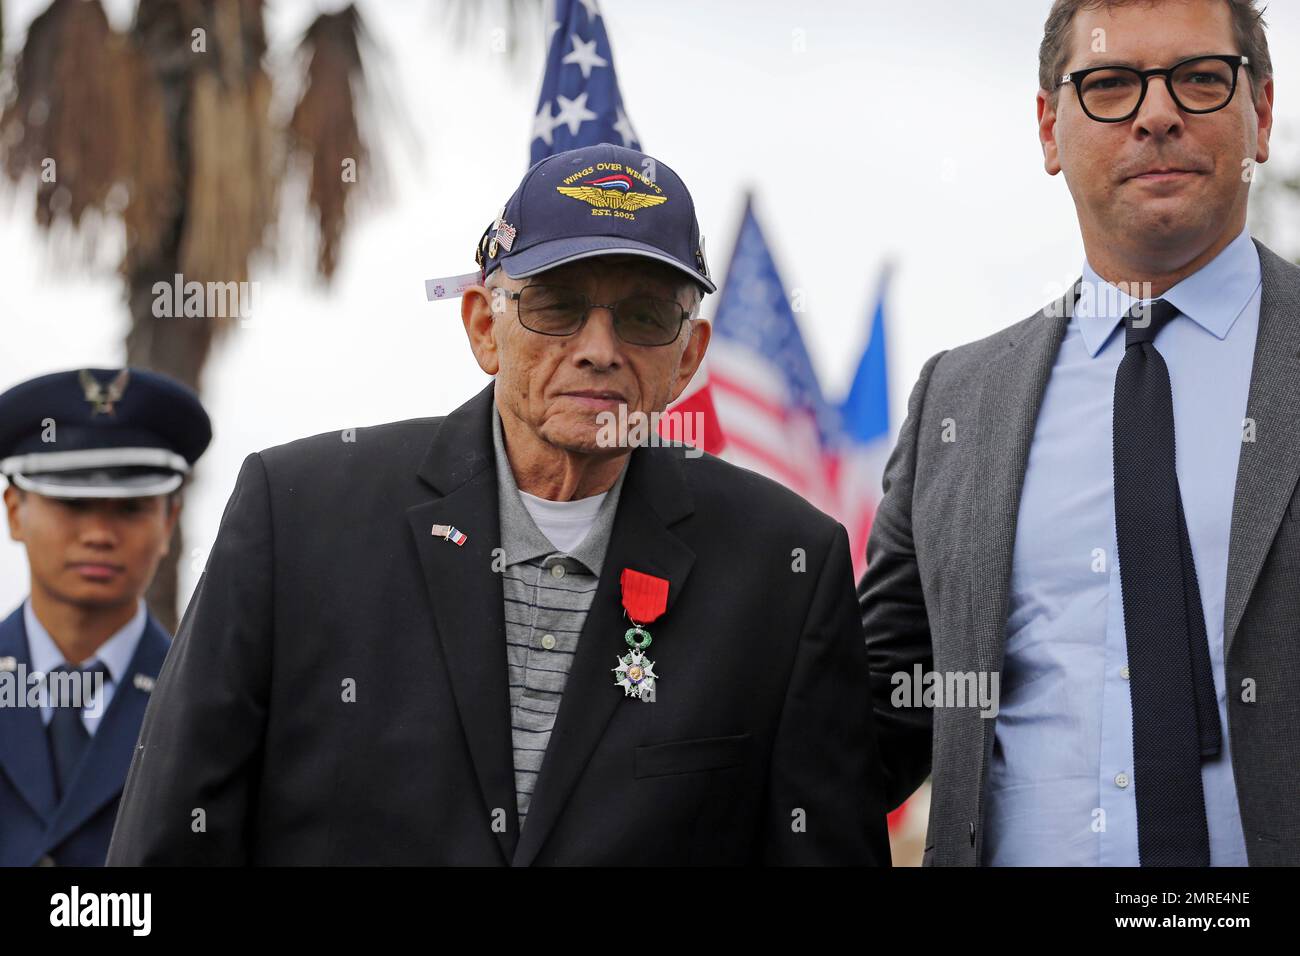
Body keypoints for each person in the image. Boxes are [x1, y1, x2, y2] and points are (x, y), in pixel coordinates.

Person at [107, 143, 890, 866]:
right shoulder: (297, 515)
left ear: (689, 355)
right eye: (556, 305)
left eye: (646, 315)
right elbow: (170, 842)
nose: (599, 347)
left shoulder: (785, 570)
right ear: (485, 326)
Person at [860, 0, 1297, 866]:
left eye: (1201, 79)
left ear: (1263, 115)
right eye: (1109, 85)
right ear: (1049, 130)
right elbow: (877, 718)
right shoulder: (959, 400)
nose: (1158, 113)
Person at [0, 367, 211, 866]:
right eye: (71, 503)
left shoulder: (212, 705)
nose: (98, 534)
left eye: (130, 507)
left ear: (169, 521)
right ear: (14, 511)